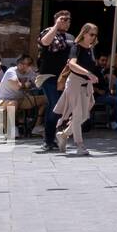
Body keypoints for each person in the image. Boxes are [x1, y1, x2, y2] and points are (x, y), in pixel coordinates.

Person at [52, 23, 99, 155]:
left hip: (86, 84)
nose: (93, 37)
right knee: (78, 115)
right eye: (91, 34)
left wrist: (92, 76)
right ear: (84, 33)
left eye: (95, 35)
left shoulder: (91, 48)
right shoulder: (76, 47)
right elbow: (72, 64)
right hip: (75, 83)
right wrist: (88, 73)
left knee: (84, 115)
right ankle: (79, 145)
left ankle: (63, 134)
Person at [36, 10, 75, 152]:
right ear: (56, 20)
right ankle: (48, 139)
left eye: (68, 20)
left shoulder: (71, 37)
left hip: (64, 77)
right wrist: (56, 26)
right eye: (63, 19)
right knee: (55, 104)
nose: (66, 22)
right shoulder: (48, 32)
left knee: (62, 107)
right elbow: (45, 42)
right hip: (49, 76)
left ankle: (55, 136)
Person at [0, 56, 45, 137]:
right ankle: (11, 129)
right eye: (27, 64)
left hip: (21, 100)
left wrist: (38, 76)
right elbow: (17, 86)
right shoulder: (11, 71)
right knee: (13, 103)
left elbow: (39, 85)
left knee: (45, 99)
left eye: (30, 64)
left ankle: (36, 127)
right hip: (4, 100)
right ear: (20, 64)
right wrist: (26, 85)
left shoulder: (29, 72)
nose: (29, 66)